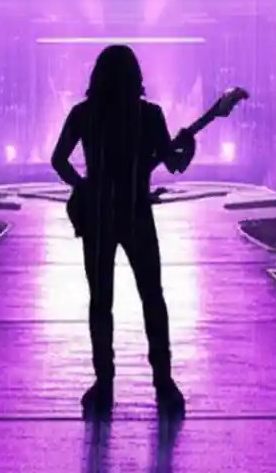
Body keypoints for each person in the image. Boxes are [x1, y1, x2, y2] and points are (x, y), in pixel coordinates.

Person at [51, 45, 194, 417]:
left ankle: (105, 383)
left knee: (101, 301)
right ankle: (163, 382)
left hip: (98, 216)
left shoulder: (84, 115)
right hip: (136, 214)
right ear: (136, 78)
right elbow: (175, 164)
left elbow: (58, 160)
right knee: (152, 298)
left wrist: (83, 187)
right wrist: (188, 146)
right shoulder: (149, 115)